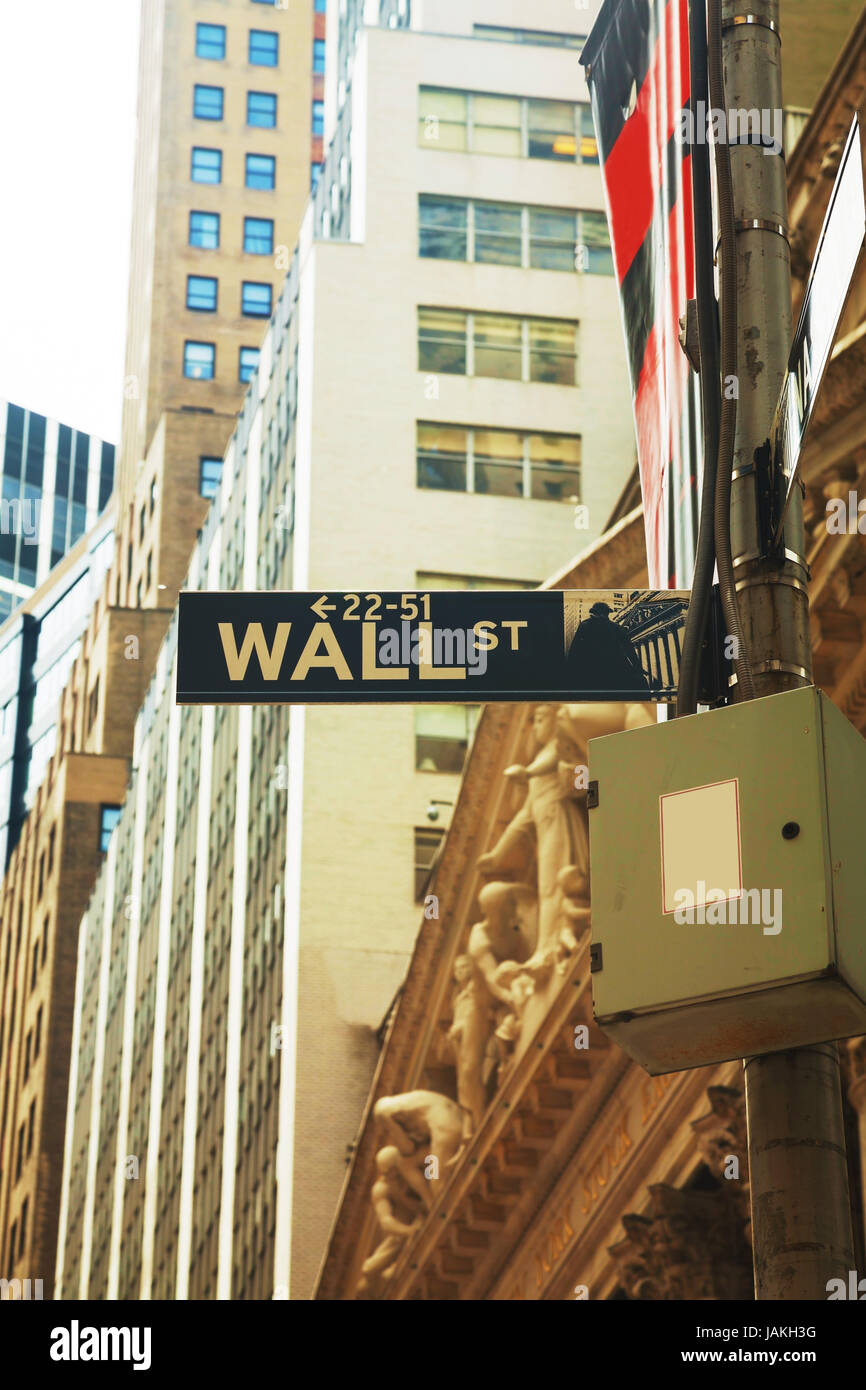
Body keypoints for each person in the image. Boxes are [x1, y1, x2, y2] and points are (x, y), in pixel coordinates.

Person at [565, 602, 649, 693]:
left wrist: (571, 671)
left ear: (594, 613)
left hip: (591, 671)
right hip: (616, 670)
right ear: (605, 613)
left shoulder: (585, 625)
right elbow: (629, 650)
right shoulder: (616, 627)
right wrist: (638, 668)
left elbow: (575, 650)